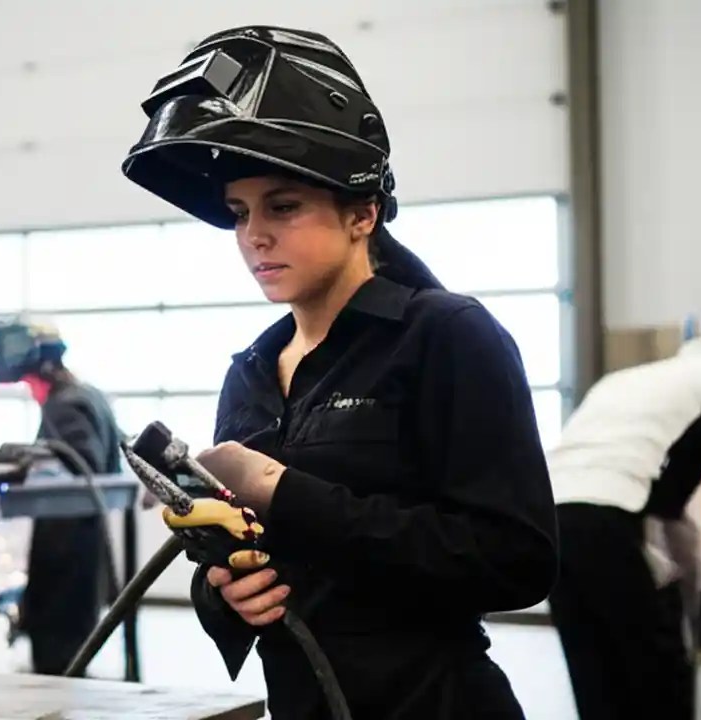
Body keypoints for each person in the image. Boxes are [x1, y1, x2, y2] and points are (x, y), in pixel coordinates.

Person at [120, 26, 559, 718]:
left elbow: (515, 558)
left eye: (283, 206)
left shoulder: (445, 336)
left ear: (363, 211)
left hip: (434, 703)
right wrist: (224, 594)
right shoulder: (250, 373)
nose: (254, 235)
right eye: (239, 213)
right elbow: (242, 552)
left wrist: (280, 489)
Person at [545, 334, 701, 719]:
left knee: (591, 663)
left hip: (549, 516)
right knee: (654, 664)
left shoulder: (623, 381)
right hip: (606, 515)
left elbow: (669, 516)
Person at [0, 316, 124, 676]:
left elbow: (81, 463)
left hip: (67, 549)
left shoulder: (66, 403)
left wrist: (8, 459)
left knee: (58, 664)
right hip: (80, 544)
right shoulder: (85, 392)